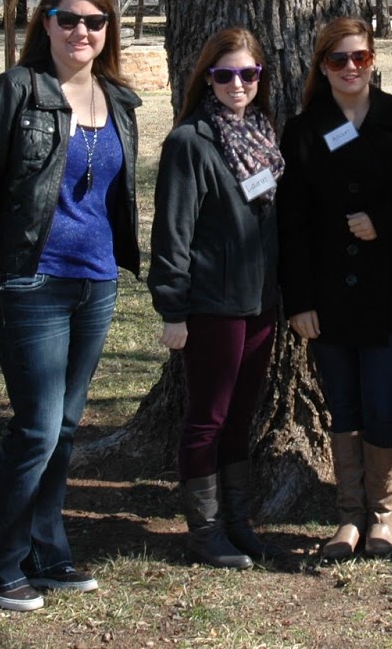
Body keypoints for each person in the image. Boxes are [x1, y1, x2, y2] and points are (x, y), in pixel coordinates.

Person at [0, 0, 142, 611]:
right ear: (46, 24)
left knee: (63, 425)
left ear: (107, 29)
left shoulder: (118, 100)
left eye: (94, 21)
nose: (81, 31)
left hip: (97, 283)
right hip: (30, 279)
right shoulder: (16, 90)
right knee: (35, 426)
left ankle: (46, 551)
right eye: (67, 19)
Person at [278, 17, 392, 560]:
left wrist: (387, 219)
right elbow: (291, 223)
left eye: (359, 58)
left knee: (381, 403)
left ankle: (383, 514)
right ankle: (349, 517)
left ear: (373, 60)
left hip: (388, 288)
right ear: (322, 67)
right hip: (327, 293)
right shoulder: (305, 128)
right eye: (338, 60)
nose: (350, 68)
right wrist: (299, 300)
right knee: (343, 407)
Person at [149, 28, 284, 570]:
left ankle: (238, 522)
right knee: (208, 417)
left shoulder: (262, 132)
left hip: (261, 303)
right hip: (210, 305)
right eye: (225, 74)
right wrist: (173, 309)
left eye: (248, 74)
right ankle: (204, 532)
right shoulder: (190, 142)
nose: (237, 84)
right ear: (207, 78)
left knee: (241, 415)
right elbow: (172, 234)